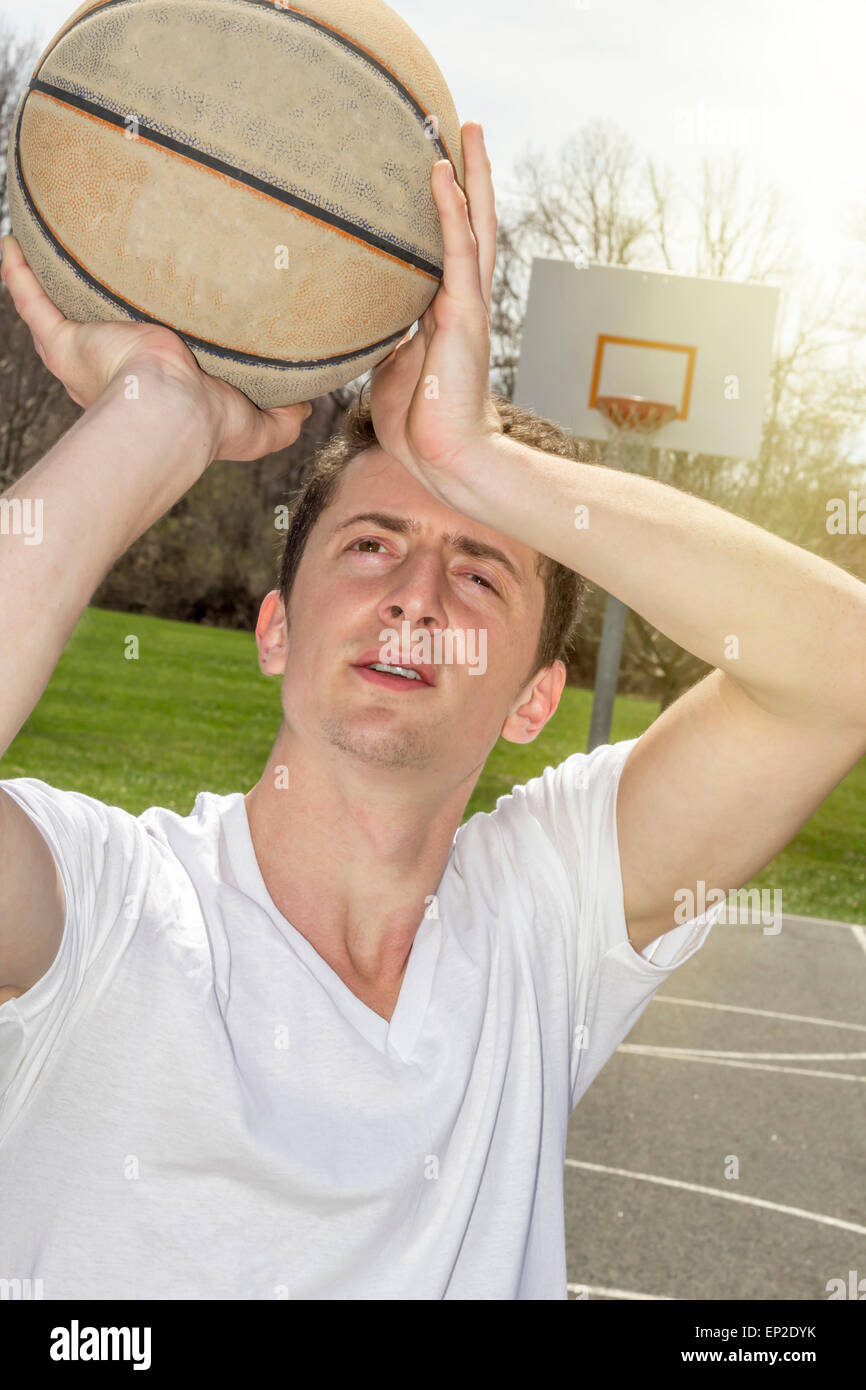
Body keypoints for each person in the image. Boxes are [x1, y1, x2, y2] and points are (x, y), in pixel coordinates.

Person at [0, 125, 864, 1301]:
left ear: (532, 701)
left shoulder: (540, 920)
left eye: (479, 571)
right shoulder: (111, 906)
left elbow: (837, 667)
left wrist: (487, 463)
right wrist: (158, 413)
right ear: (276, 629)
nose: (415, 595)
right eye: (370, 545)